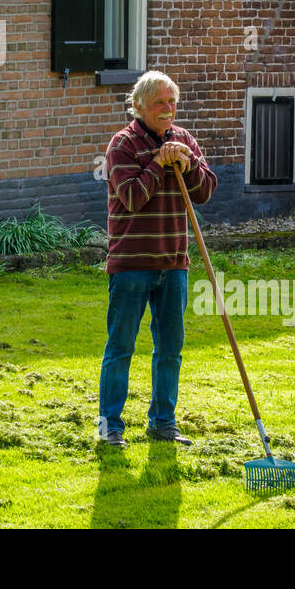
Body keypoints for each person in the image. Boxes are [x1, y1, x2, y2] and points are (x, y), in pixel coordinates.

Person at [98, 71, 217, 448]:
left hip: (173, 261)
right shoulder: (122, 145)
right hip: (131, 262)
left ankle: (163, 423)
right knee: (121, 347)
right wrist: (158, 164)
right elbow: (132, 197)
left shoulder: (184, 140)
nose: (168, 109)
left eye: (172, 102)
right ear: (139, 107)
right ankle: (110, 428)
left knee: (170, 348)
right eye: (159, 103)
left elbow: (206, 192)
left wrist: (188, 165)